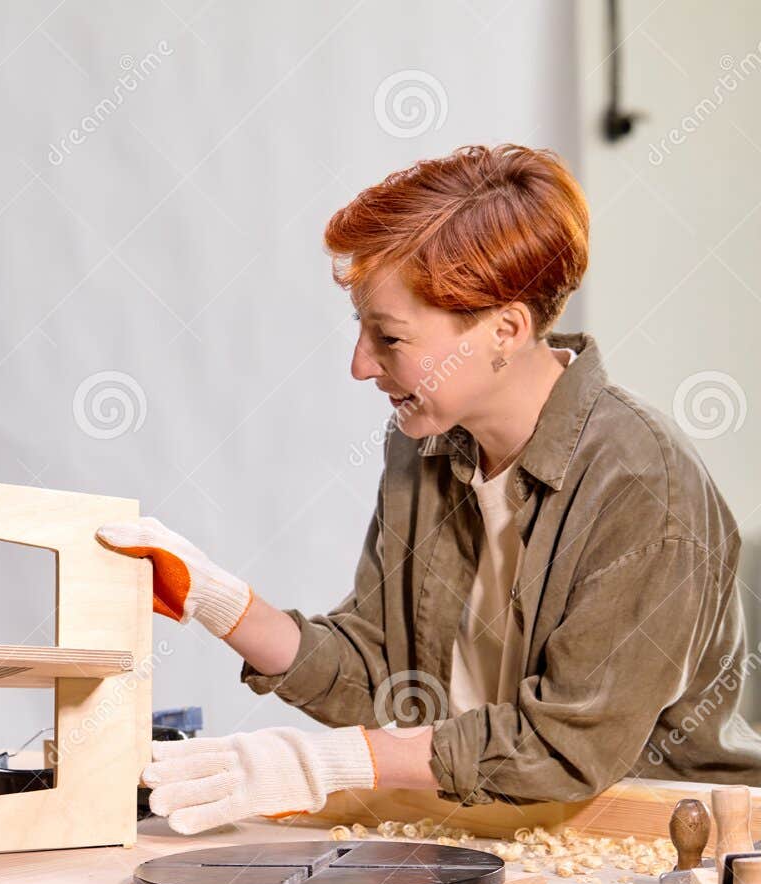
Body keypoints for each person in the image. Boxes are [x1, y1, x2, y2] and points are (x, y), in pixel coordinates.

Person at [99, 144, 761, 835]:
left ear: (505, 329)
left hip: (656, 844)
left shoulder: (643, 485)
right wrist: (220, 601)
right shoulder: (423, 447)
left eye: (388, 337)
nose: (360, 365)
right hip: (493, 827)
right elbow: (381, 672)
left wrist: (325, 763)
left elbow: (567, 747)